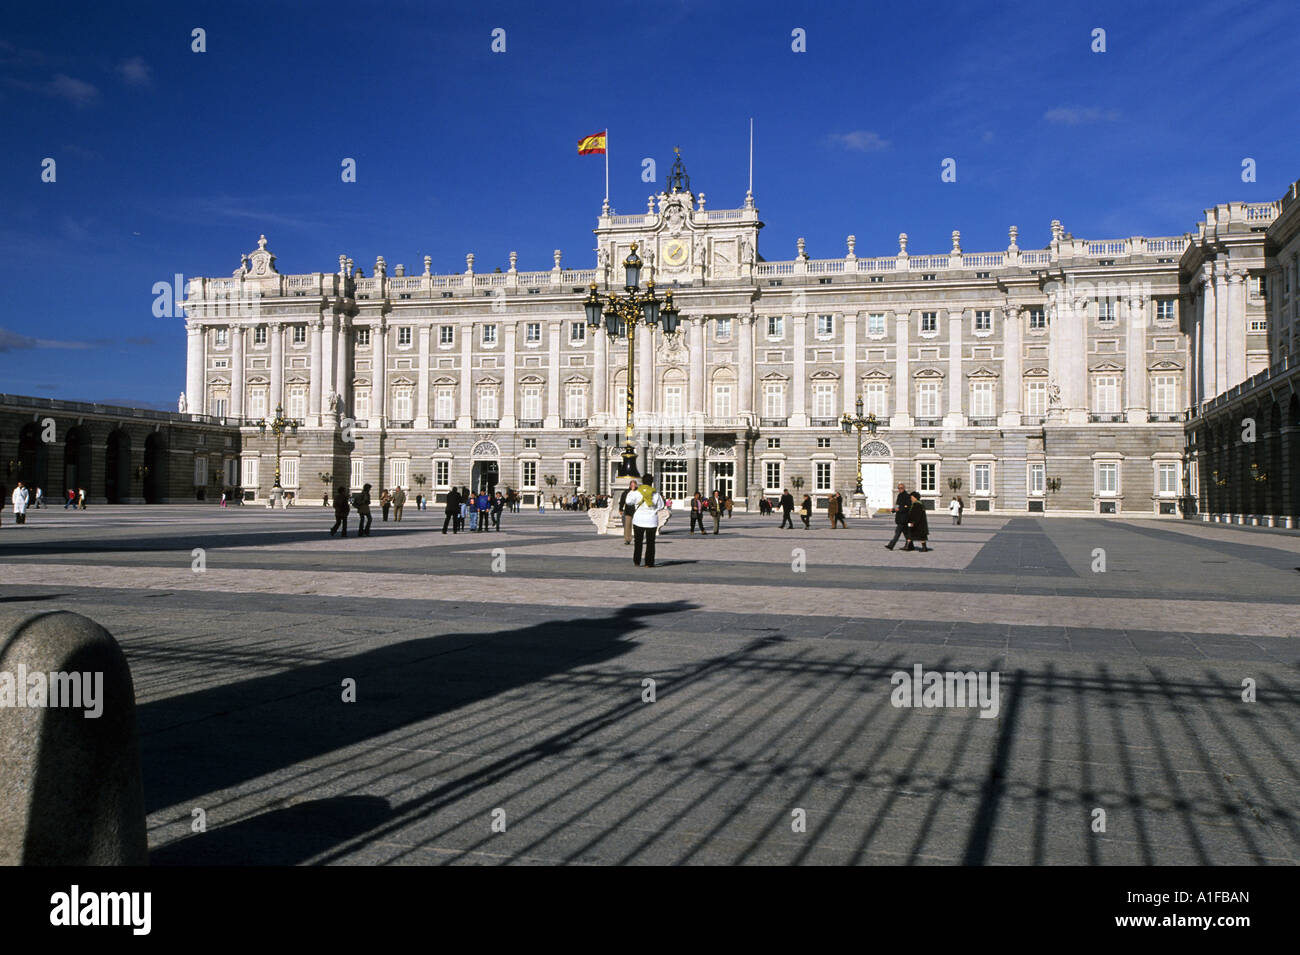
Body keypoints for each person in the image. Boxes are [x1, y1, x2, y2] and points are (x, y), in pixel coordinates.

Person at [631, 481, 666, 568]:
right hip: (651, 521)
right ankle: (649, 563)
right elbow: (661, 506)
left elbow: (629, 502)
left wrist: (632, 491)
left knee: (638, 542)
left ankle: (637, 561)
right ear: (651, 482)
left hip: (638, 520)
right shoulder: (655, 494)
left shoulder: (637, 492)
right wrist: (653, 510)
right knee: (650, 542)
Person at [885, 482, 911, 550]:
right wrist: (893, 510)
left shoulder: (907, 496)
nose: (900, 489)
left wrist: (898, 509)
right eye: (899, 488)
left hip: (904, 517)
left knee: (897, 533)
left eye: (901, 488)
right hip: (900, 517)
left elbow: (907, 506)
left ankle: (891, 545)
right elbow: (898, 506)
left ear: (904, 488)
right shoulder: (899, 495)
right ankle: (910, 546)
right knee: (906, 533)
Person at [618, 479, 639, 545]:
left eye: (634, 484)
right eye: (632, 485)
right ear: (630, 485)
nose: (633, 486)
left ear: (636, 485)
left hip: (637, 511)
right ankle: (627, 539)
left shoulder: (639, 492)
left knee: (637, 526)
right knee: (627, 526)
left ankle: (637, 538)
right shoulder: (626, 492)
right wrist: (620, 509)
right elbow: (622, 501)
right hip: (628, 510)